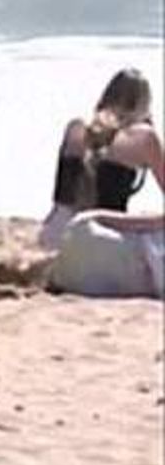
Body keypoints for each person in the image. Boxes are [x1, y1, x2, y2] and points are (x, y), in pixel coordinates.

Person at [38, 69, 163, 298]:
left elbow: (61, 200)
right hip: (100, 239)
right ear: (144, 103)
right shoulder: (144, 137)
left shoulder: (75, 127)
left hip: (53, 234)